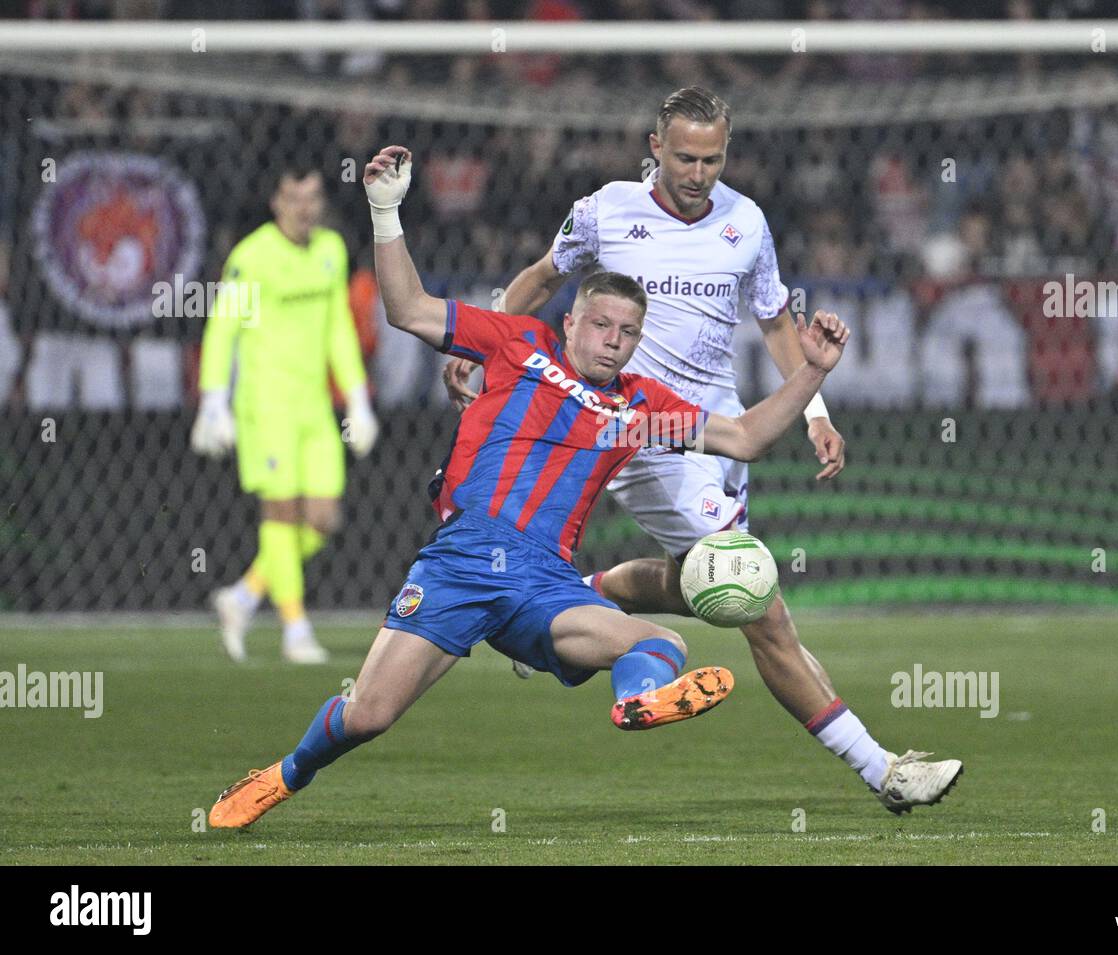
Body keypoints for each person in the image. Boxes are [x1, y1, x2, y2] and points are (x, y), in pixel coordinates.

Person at [207, 143, 865, 828]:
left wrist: (811, 374)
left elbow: (747, 436)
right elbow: (406, 308)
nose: (613, 341)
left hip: (544, 585)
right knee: (367, 714)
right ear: (571, 321)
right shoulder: (515, 343)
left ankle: (635, 704)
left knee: (661, 645)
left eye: (628, 333)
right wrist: (384, 210)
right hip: (462, 561)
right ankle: (285, 773)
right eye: (601, 325)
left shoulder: (637, 409)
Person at [442, 87, 963, 814]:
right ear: (655, 146)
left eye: (711, 158)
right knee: (760, 603)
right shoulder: (605, 210)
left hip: (721, 429)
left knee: (704, 584)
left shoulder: (745, 222)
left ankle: (575, 603)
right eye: (684, 156)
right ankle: (883, 770)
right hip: (642, 426)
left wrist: (813, 407)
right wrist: (481, 341)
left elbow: (777, 321)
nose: (697, 172)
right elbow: (540, 277)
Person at [191, 166, 378, 664]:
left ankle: (245, 596)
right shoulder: (251, 257)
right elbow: (223, 328)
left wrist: (357, 397)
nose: (304, 208)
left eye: (312, 197)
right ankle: (295, 628)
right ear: (276, 202)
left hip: (315, 408)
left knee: (321, 520)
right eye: (294, 198)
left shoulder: (330, 251)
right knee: (281, 513)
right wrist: (214, 400)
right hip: (264, 406)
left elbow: (338, 327)